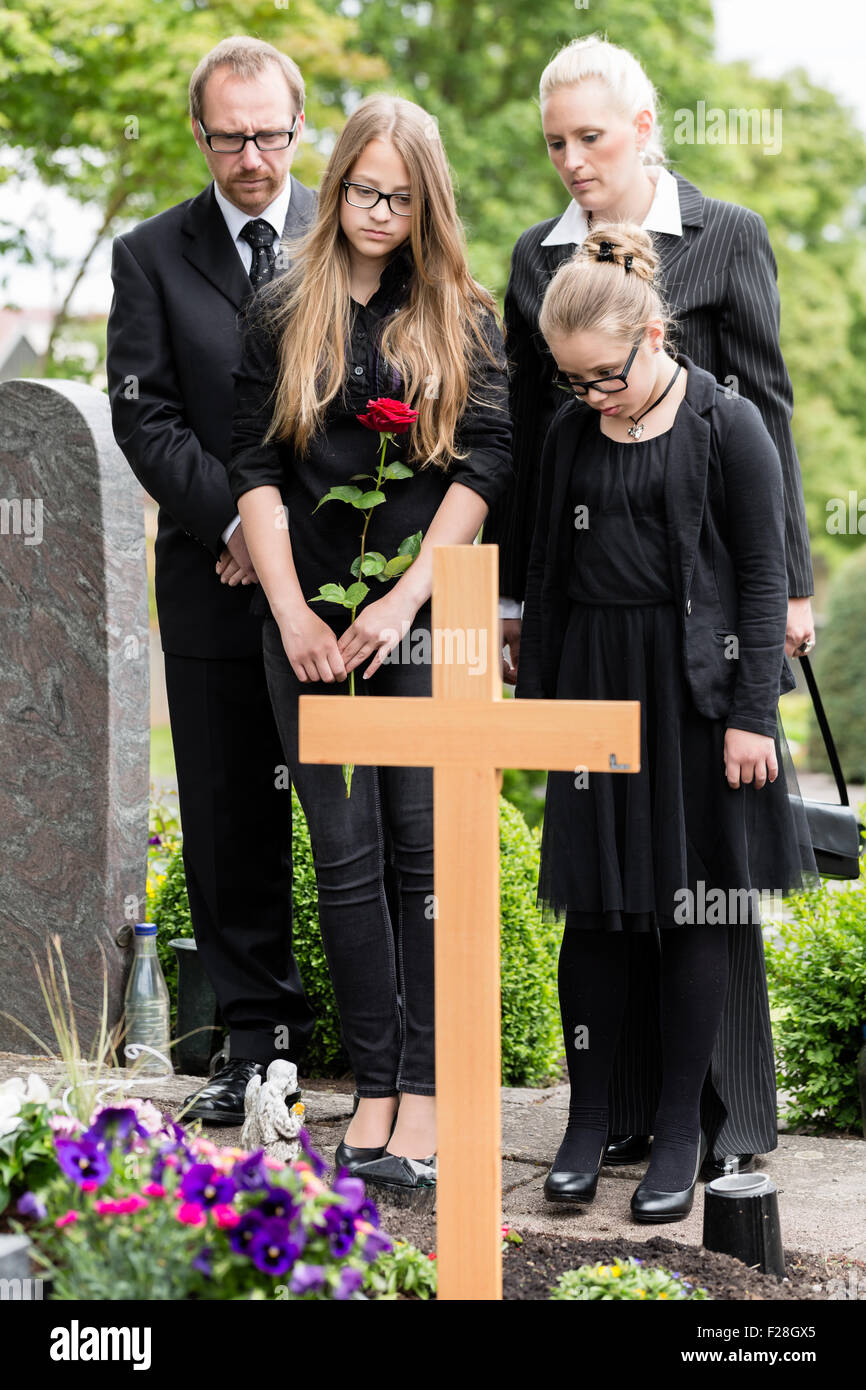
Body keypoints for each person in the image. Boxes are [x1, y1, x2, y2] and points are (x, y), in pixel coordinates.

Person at [484, 34, 816, 1179]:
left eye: (589, 135)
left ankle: (712, 1124)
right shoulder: (539, 264)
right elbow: (535, 448)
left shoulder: (726, 238)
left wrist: (791, 598)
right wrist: (521, 601)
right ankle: (605, 1115)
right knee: (602, 898)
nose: (571, 159)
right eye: (554, 142)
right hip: (592, 623)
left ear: (642, 125)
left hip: (708, 612)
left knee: (701, 895)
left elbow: (765, 417)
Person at [227, 94, 512, 1197]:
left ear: (426, 198)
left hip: (421, 621)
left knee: (419, 858)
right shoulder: (281, 305)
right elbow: (253, 467)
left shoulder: (458, 312)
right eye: (360, 191)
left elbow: (485, 464)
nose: (377, 213)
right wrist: (295, 613)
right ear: (335, 181)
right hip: (304, 627)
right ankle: (378, 1087)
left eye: (399, 196)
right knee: (342, 864)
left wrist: (401, 603)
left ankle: (433, 1091)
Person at [106, 36, 317, 1123]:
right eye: (231, 135)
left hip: (339, 590)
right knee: (233, 823)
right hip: (214, 586)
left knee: (356, 821)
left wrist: (291, 528)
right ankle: (254, 1044)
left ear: (297, 124)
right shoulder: (148, 255)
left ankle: (384, 1054)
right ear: (198, 132)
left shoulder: (351, 231)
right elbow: (143, 413)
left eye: (271, 134)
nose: (253, 156)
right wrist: (242, 516)